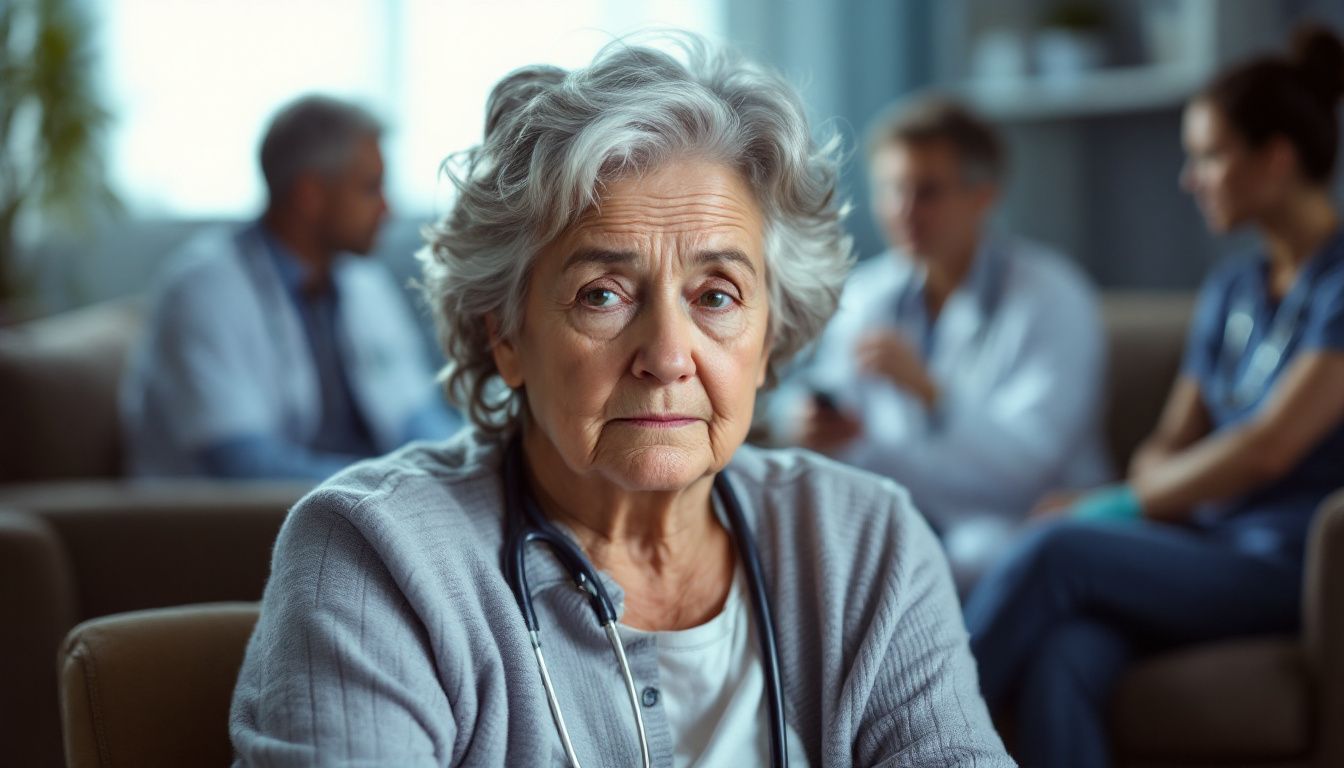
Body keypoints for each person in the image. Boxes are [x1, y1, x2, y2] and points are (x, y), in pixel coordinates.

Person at [229, 37, 1013, 767]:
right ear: (504, 333)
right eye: (602, 294)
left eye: (716, 295)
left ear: (770, 336)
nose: (668, 356)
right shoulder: (376, 557)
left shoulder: (868, 546)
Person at [965, 24, 1344, 768]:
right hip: (1200, 547)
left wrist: (1120, 505)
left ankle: (873, 741)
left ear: (1276, 159)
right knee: (1067, 657)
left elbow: (1266, 450)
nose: (1189, 177)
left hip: (1287, 564)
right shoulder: (1232, 286)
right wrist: (1148, 488)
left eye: (1208, 154)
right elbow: (1174, 437)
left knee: (1054, 549)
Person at [776, 96, 1108, 585]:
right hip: (911, 514)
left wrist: (930, 391)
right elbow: (826, 394)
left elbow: (1033, 463)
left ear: (983, 196)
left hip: (1024, 521)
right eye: (892, 190)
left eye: (927, 192)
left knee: (973, 559)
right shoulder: (870, 293)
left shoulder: (1052, 296)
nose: (904, 212)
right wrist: (802, 418)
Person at [120, 95, 459, 480]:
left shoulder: (361, 282)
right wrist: (391, 485)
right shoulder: (204, 291)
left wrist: (459, 467)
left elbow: (414, 414)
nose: (387, 210)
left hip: (352, 499)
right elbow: (242, 463)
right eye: (370, 188)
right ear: (310, 195)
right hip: (223, 524)